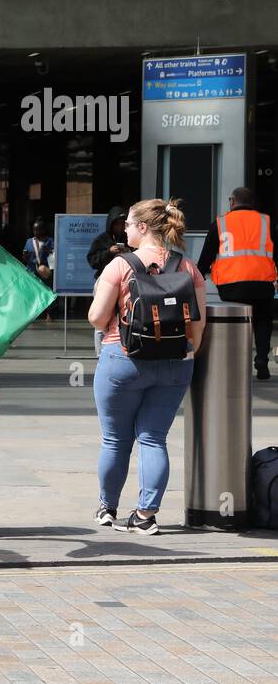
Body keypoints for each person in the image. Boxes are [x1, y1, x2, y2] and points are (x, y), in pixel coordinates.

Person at [88, 198, 206, 536]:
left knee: (114, 440)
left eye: (128, 224)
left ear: (142, 227)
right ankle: (145, 515)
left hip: (123, 359)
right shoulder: (188, 268)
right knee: (154, 438)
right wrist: (186, 353)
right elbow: (198, 324)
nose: (124, 229)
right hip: (175, 364)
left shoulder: (120, 266)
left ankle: (107, 509)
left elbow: (97, 319)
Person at [197, 187, 277, 380]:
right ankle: (261, 361)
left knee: (233, 322)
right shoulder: (267, 222)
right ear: (253, 203)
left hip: (230, 285)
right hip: (262, 282)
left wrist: (197, 276)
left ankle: (234, 365)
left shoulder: (220, 223)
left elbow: (206, 257)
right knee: (262, 320)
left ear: (232, 201)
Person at [86, 205, 129, 355]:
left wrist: (128, 252)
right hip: (104, 282)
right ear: (111, 224)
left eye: (123, 223)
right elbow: (92, 261)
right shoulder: (101, 240)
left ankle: (122, 349)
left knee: (122, 318)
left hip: (124, 283)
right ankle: (100, 354)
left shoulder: (130, 238)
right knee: (100, 320)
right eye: (117, 223)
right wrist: (108, 252)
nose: (120, 227)